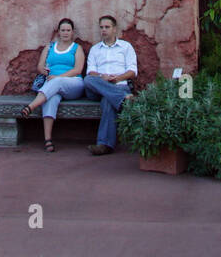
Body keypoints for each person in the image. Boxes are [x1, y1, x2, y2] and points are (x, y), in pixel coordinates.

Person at [21, 18, 85, 152]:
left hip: (73, 84)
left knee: (56, 82)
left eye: (68, 30)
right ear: (58, 32)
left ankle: (31, 106)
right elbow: (40, 66)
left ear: (73, 32)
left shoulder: (76, 48)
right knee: (51, 99)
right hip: (51, 86)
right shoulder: (49, 47)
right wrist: (43, 70)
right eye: (63, 30)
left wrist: (58, 77)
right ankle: (48, 139)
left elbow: (78, 69)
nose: (65, 33)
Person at [83, 15, 137, 156]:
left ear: (114, 29)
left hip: (119, 85)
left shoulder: (126, 47)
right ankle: (124, 99)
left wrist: (118, 78)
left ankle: (104, 145)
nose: (104, 30)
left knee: (108, 100)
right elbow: (91, 71)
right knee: (88, 79)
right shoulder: (95, 49)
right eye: (101, 27)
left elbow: (132, 71)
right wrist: (102, 77)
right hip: (98, 86)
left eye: (107, 27)